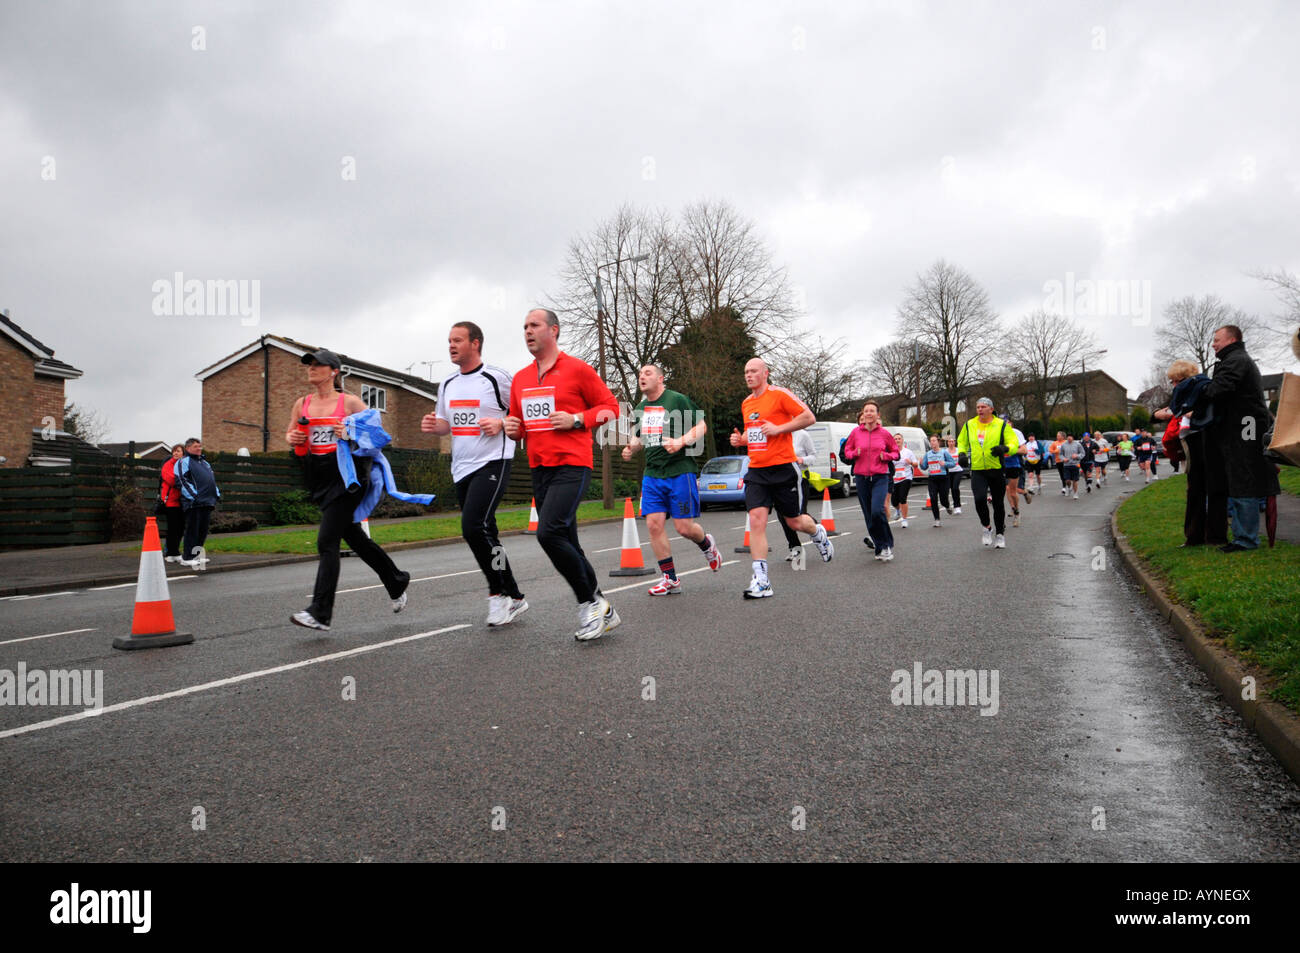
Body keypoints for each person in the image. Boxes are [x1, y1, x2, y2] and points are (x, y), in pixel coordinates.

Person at [503, 309, 621, 639]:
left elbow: (610, 407)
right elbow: (519, 426)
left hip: (573, 463)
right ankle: (602, 606)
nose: (527, 331)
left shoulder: (578, 369)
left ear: (553, 330)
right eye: (524, 326)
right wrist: (512, 428)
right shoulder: (521, 379)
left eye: (534, 325)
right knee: (568, 540)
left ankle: (588, 604)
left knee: (549, 533)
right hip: (540, 468)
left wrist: (577, 420)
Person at [285, 349, 412, 631]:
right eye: (310, 365)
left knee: (326, 542)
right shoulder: (301, 404)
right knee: (355, 539)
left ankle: (320, 612)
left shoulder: (350, 402)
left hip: (349, 479)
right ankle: (396, 580)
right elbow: (291, 434)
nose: (312, 369)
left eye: (318, 365)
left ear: (334, 372)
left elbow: (378, 436)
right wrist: (291, 436)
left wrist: (351, 433)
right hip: (319, 478)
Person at [421, 321, 528, 627]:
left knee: (472, 527)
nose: (451, 346)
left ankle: (498, 596)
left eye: (457, 340)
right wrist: (434, 426)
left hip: (494, 460)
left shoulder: (496, 377)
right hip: (462, 467)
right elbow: (447, 423)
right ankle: (515, 596)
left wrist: (501, 423)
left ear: (475, 344)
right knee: (487, 533)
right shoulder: (447, 384)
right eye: (449, 341)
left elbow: (519, 412)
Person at [728, 359, 833, 597]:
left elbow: (809, 417)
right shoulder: (746, 403)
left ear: (765, 373)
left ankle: (817, 532)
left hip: (784, 468)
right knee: (756, 520)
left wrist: (779, 428)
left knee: (795, 522)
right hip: (757, 470)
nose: (748, 375)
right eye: (745, 371)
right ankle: (761, 580)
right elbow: (753, 432)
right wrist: (741, 440)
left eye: (753, 371)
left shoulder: (779, 394)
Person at [621, 363, 722, 594]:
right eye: (639, 374)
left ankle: (707, 544)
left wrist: (680, 441)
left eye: (647, 373)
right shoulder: (640, 408)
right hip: (653, 474)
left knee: (684, 528)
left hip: (680, 471)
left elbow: (702, 426)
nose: (642, 377)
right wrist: (631, 449)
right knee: (653, 525)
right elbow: (640, 439)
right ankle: (670, 579)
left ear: (660, 378)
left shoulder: (676, 400)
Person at [1192, 324, 1281, 552]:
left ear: (1231, 340)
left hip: (1245, 427)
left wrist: (1196, 389)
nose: (1213, 344)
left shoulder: (1236, 360)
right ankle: (1243, 536)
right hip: (1244, 425)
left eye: (1217, 339)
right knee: (1242, 477)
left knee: (1244, 477)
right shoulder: (1236, 359)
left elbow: (1218, 390)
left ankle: (1246, 539)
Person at [1154, 359, 1225, 547]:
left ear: (1183, 378)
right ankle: (1199, 536)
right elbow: (1176, 411)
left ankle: (1208, 536)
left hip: (1204, 439)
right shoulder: (1192, 390)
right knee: (1197, 489)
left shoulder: (1199, 389)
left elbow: (1196, 411)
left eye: (1175, 381)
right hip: (1196, 440)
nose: (1174, 386)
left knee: (1206, 488)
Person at [956, 398, 1018, 548]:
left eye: (983, 407)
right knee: (979, 499)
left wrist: (1004, 449)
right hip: (978, 470)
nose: (980, 410)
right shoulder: (969, 424)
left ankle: (1000, 534)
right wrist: (962, 454)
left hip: (996, 468)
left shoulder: (1001, 425)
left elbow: (1014, 443)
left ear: (991, 409)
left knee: (998, 504)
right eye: (978, 407)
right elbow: (962, 441)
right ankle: (986, 527)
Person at [842, 401, 899, 560]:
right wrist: (854, 454)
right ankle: (879, 547)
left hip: (880, 477)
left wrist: (886, 456)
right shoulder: (855, 433)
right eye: (866, 411)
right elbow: (847, 451)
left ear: (877, 415)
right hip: (861, 478)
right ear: (863, 414)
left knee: (877, 511)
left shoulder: (884, 434)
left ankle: (887, 545)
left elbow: (895, 453)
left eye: (872, 411)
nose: (868, 413)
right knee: (869, 515)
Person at [175, 438, 220, 568]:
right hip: (193, 502)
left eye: (200, 446)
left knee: (202, 530)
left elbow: (211, 480)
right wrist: (194, 496)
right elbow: (182, 480)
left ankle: (196, 555)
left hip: (207, 501)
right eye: (196, 446)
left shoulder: (205, 463)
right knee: (192, 530)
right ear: (188, 448)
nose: (199, 448)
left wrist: (216, 493)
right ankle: (187, 557)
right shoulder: (183, 462)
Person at [779, 425, 821, 561]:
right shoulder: (777, 433)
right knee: (782, 516)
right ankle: (795, 548)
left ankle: (818, 530)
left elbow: (814, 456)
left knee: (799, 514)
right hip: (781, 481)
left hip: (800, 479)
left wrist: (802, 460)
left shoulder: (802, 435)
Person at [919, 434, 955, 527]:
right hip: (932, 479)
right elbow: (924, 467)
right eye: (931, 441)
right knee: (933, 499)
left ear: (938, 442)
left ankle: (947, 506)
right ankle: (937, 519)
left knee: (943, 499)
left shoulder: (944, 452)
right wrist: (921, 463)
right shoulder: (928, 454)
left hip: (943, 478)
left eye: (934, 440)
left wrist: (945, 463)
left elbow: (953, 463)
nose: (932, 442)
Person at [158, 444, 185, 562]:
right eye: (174, 451)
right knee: (173, 528)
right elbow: (172, 480)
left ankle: (174, 551)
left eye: (178, 451)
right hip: (171, 502)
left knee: (180, 528)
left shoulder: (184, 465)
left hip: (182, 502)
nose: (175, 453)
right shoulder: (168, 465)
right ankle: (171, 552)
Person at [1001, 424, 1031, 527]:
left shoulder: (1016, 433)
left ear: (1011, 423)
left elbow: (1024, 450)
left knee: (1015, 492)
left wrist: (1008, 450)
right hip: (1001, 466)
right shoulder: (996, 433)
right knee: (1006, 489)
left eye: (1007, 423)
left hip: (1015, 465)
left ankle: (1024, 494)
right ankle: (1014, 511)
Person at [890, 433, 920, 528]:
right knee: (894, 501)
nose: (897, 440)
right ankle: (898, 510)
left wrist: (910, 462)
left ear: (902, 441)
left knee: (903, 498)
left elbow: (916, 465)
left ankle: (904, 519)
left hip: (906, 478)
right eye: (895, 439)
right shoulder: (891, 452)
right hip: (894, 479)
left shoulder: (908, 452)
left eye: (899, 439)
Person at [1058, 433, 1084, 499]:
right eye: (1068, 437)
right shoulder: (1063, 445)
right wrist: (1063, 459)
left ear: (1073, 438)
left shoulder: (1078, 444)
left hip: (1075, 464)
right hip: (1066, 465)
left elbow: (1083, 453)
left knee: (1075, 480)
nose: (1069, 438)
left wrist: (1077, 456)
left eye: (1070, 437)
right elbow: (1060, 454)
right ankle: (1069, 487)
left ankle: (1075, 493)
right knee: (1067, 480)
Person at [944, 435, 964, 514]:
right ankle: (949, 505)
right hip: (949, 472)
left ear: (955, 442)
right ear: (947, 443)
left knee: (955, 488)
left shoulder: (958, 450)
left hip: (958, 470)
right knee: (949, 489)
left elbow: (963, 459)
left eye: (953, 441)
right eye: (949, 441)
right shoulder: (945, 452)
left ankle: (957, 506)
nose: (951, 443)